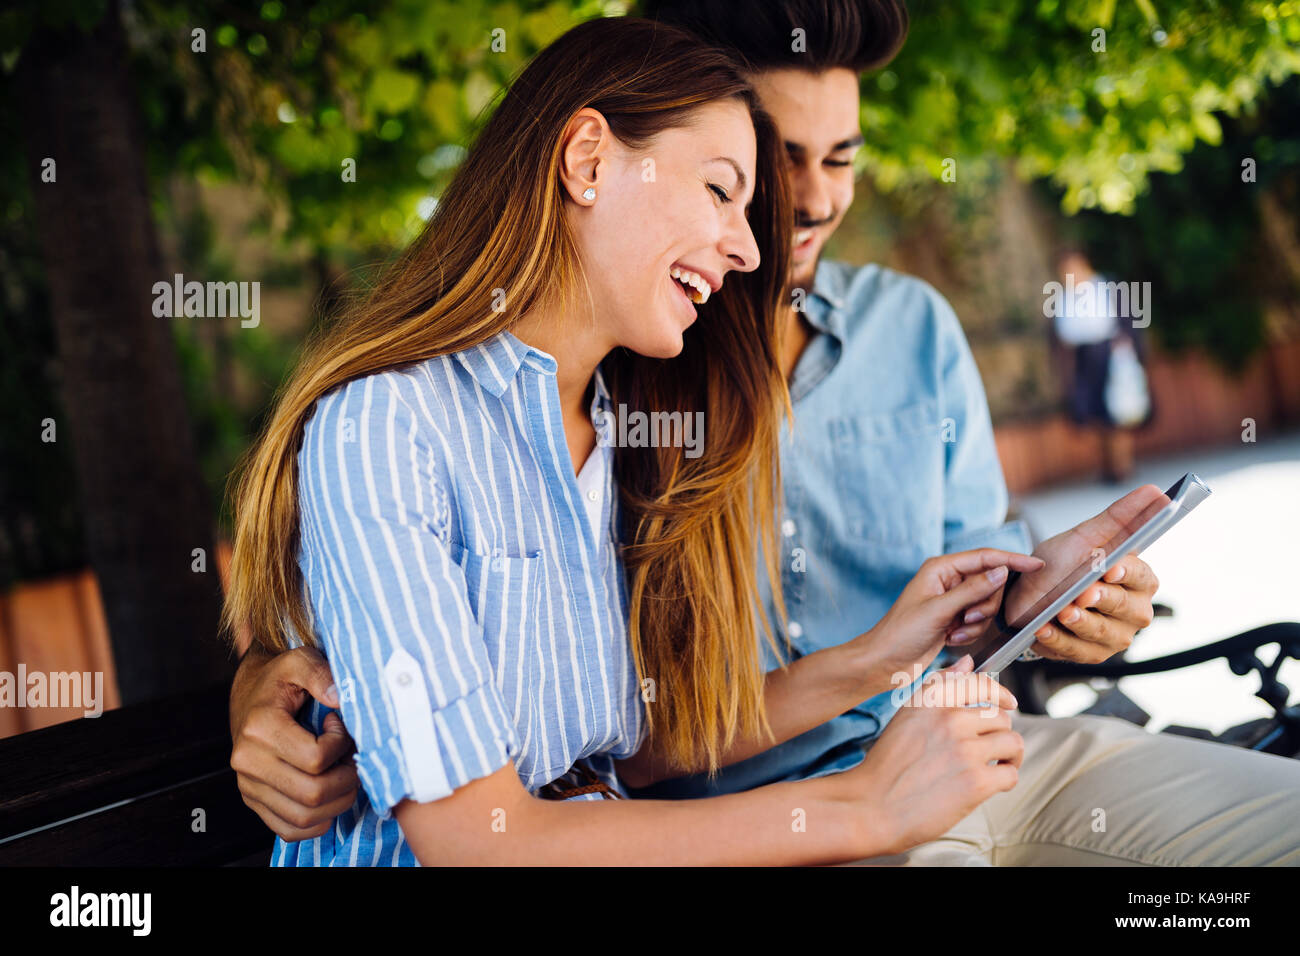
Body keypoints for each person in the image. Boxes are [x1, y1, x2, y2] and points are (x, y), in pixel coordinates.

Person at [229, 3, 1300, 865]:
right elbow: (447, 779)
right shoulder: (486, 405)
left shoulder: (599, 414)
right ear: (590, 159)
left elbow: (610, 753)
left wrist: (998, 613)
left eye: (838, 160)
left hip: (935, 761)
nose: (777, 229)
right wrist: (863, 807)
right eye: (742, 179)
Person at [1051, 245, 1150, 484]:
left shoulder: (1107, 287)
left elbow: (1128, 322)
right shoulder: (1063, 299)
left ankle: (1122, 466)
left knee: (1118, 413)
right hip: (1085, 361)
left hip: (1111, 354)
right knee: (1096, 415)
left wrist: (1132, 352)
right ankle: (1108, 465)